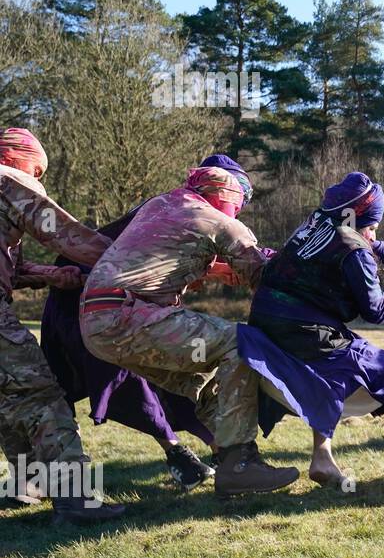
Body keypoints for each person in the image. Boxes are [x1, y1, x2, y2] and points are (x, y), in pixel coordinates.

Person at [238, 172, 384, 492]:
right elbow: (376, 311)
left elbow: (383, 248)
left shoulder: (316, 226)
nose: (375, 235)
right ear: (361, 219)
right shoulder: (354, 248)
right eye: (374, 226)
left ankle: (322, 457)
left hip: (268, 328)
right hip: (306, 335)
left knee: (332, 375)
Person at [80, 165, 297, 496]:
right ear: (230, 199)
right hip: (127, 316)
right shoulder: (219, 222)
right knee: (239, 344)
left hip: (97, 323)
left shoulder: (160, 205)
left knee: (198, 383)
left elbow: (170, 251)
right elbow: (262, 277)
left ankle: (233, 463)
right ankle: (239, 465)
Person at [39, 154, 248, 491]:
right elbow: (135, 256)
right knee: (122, 380)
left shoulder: (176, 207)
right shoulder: (175, 210)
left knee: (178, 372)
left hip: (117, 303)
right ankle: (181, 454)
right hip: (89, 302)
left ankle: (221, 455)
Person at [0, 127, 126, 523]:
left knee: (8, 400)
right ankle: (75, 500)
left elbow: (10, 266)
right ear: (19, 157)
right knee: (40, 397)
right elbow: (64, 233)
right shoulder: (8, 180)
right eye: (36, 172)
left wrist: (52, 277)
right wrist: (127, 261)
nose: (36, 181)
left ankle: (26, 485)